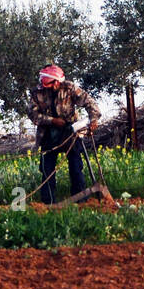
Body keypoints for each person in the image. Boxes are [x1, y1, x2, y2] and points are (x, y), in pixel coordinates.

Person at [27, 64, 101, 204]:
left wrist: (93, 119)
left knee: (76, 167)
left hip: (70, 133)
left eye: (48, 83)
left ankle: (80, 202)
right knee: (46, 170)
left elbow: (90, 102)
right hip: (47, 135)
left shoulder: (70, 88)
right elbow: (33, 114)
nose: (45, 86)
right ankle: (48, 204)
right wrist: (52, 121)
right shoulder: (37, 92)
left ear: (57, 81)